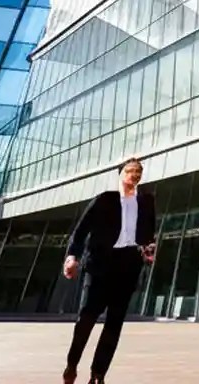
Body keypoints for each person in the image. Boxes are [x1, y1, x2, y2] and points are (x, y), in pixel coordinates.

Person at [61, 156, 156, 384]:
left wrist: (149, 248)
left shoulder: (147, 201)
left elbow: (149, 232)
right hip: (100, 264)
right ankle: (72, 364)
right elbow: (80, 231)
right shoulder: (104, 200)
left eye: (139, 171)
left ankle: (98, 374)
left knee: (114, 324)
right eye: (131, 170)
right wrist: (72, 257)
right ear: (121, 173)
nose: (135, 175)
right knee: (87, 319)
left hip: (128, 264)